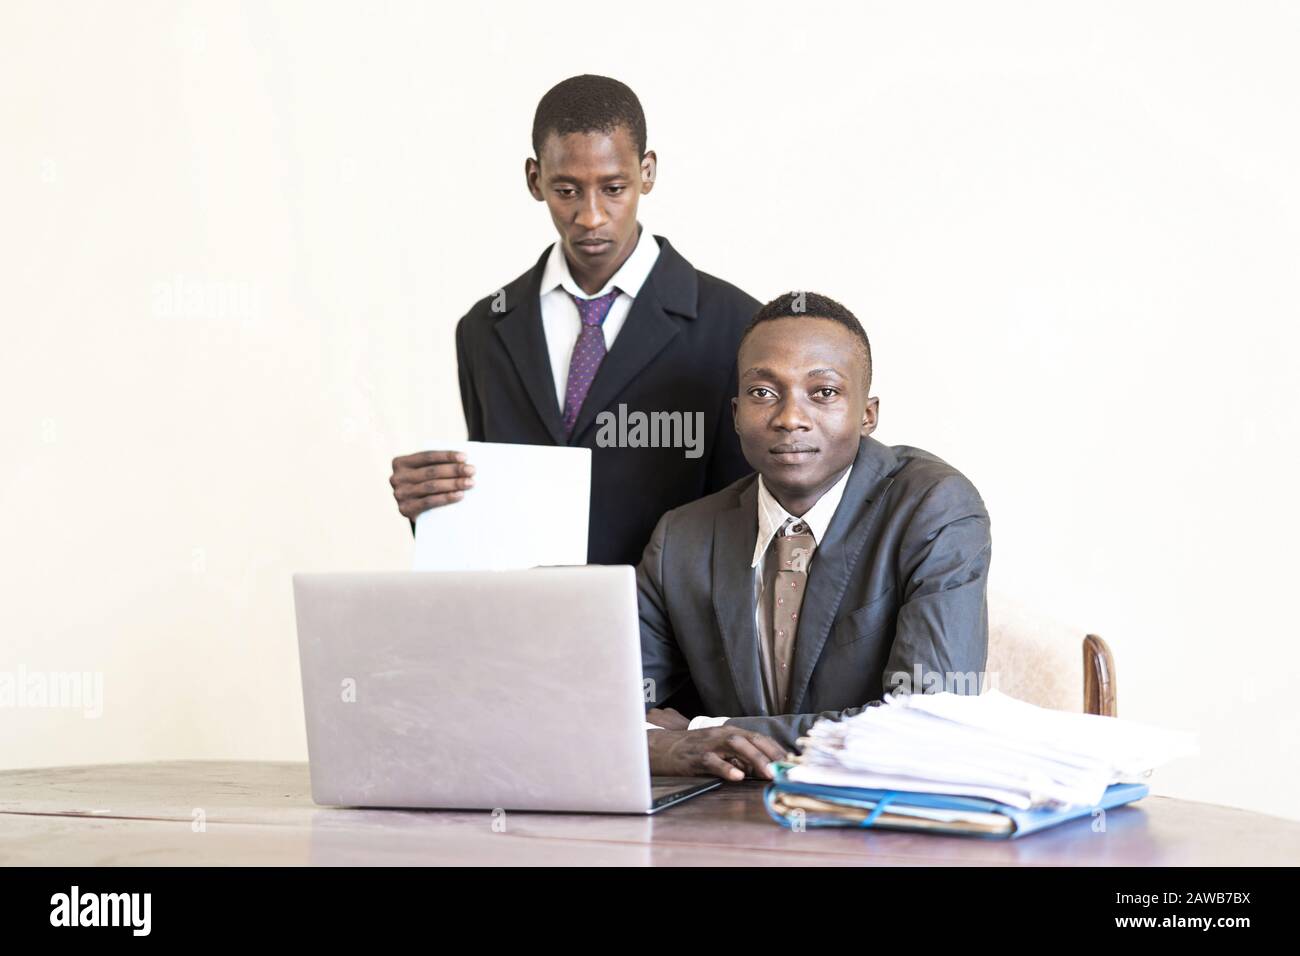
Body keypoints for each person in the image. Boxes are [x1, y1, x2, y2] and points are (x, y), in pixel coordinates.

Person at [389, 74, 759, 568]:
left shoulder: (736, 326)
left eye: (613, 188)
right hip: (525, 626)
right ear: (534, 179)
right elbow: (496, 504)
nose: (590, 216)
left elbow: (748, 514)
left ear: (647, 173)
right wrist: (430, 507)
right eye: (567, 189)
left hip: (670, 633)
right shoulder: (483, 330)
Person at [637, 292, 993, 782]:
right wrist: (657, 743)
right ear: (737, 412)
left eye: (823, 392)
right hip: (726, 828)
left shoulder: (933, 507)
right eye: (764, 393)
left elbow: (927, 724)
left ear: (867, 414)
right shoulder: (683, 537)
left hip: (881, 829)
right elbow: (615, 716)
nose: (790, 417)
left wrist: (709, 731)